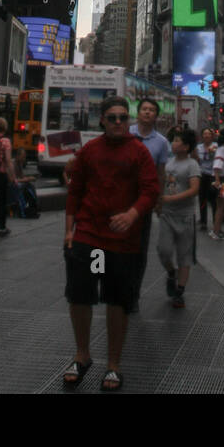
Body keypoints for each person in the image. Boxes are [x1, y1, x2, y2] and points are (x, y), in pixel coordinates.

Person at [63, 95, 159, 391]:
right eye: (113, 117)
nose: (119, 122)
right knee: (80, 296)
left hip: (122, 242)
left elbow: (150, 189)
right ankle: (82, 355)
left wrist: (133, 214)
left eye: (123, 117)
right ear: (102, 120)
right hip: (89, 237)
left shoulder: (139, 152)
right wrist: (69, 231)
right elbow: (75, 191)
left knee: (117, 301)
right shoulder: (90, 150)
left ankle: (113, 365)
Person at [129, 96, 170, 307]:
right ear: (138, 113)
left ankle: (134, 293)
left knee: (139, 249)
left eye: (151, 110)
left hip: (144, 201)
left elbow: (160, 174)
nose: (147, 112)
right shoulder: (126, 134)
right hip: (121, 198)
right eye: (144, 109)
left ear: (156, 116)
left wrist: (159, 199)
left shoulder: (161, 143)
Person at [158, 128, 200, 308]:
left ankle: (179, 292)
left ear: (186, 146)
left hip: (185, 216)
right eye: (173, 140)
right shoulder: (167, 163)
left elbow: (194, 190)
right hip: (167, 215)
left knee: (184, 256)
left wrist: (169, 198)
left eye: (177, 140)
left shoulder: (192, 165)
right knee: (163, 250)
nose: (173, 143)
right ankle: (170, 272)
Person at [196, 127, 217, 231]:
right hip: (202, 174)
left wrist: (212, 152)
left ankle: (215, 221)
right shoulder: (198, 148)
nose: (206, 136)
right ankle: (203, 221)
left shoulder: (216, 146)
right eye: (205, 134)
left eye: (208, 134)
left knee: (214, 199)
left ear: (212, 136)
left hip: (213, 175)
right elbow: (196, 160)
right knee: (202, 198)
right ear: (202, 136)